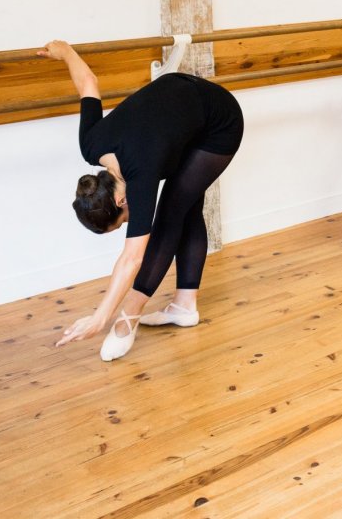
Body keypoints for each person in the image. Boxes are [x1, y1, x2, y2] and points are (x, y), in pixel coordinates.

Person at [38, 40, 243, 361]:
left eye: (124, 222)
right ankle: (184, 306)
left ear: (120, 202)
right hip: (183, 107)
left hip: (219, 120)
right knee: (184, 203)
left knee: (171, 213)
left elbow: (132, 258)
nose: (132, 223)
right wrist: (65, 51)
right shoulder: (92, 146)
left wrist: (101, 318)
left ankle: (129, 319)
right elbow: (87, 83)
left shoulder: (140, 173)